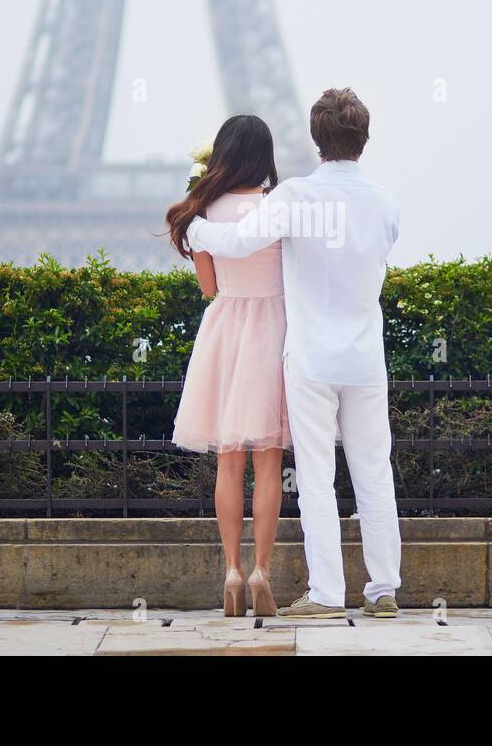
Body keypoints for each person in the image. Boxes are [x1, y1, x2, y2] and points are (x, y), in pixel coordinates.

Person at [186, 88, 401, 619]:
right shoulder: (384, 202)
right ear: (364, 139)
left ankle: (328, 593)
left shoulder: (295, 197)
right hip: (365, 358)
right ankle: (384, 589)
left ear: (315, 138)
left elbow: (236, 243)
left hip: (310, 356)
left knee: (316, 478)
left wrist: (194, 224)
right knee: (375, 472)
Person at [166, 115, 290, 618]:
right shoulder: (275, 209)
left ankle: (231, 573)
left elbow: (209, 290)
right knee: (269, 460)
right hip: (272, 328)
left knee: (229, 458)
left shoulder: (200, 211)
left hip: (225, 331)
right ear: (264, 156)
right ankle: (262, 569)